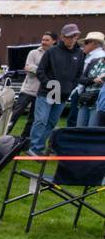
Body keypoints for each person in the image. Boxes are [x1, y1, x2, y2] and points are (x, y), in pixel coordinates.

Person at [30, 23, 84, 154]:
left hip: (63, 95)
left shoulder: (80, 54)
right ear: (62, 37)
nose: (72, 39)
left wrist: (71, 87)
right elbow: (40, 71)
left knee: (51, 123)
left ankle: (39, 147)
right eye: (69, 37)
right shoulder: (51, 51)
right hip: (46, 92)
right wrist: (50, 85)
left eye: (74, 36)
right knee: (41, 120)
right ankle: (33, 148)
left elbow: (78, 75)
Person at [10, 32, 54, 136]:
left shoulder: (54, 55)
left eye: (47, 40)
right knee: (15, 114)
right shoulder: (33, 53)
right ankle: (4, 133)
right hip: (28, 90)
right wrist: (43, 71)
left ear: (54, 41)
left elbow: (54, 73)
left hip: (42, 93)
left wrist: (37, 69)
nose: (43, 42)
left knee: (33, 118)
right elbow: (28, 68)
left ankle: (24, 140)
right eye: (43, 39)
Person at [73, 30, 104, 127]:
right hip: (85, 98)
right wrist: (93, 80)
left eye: (86, 43)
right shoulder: (94, 61)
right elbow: (80, 78)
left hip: (98, 101)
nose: (83, 46)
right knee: (79, 127)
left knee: (92, 130)